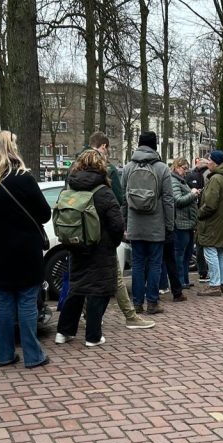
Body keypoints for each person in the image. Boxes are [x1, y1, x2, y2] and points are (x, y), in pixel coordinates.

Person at [0, 131, 50, 369]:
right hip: (25, 249)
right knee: (27, 299)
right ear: (10, 148)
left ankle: (4, 353)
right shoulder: (23, 177)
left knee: (5, 300)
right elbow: (45, 213)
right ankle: (32, 354)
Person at [82, 132, 154, 329]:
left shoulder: (74, 171)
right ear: (103, 147)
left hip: (80, 232)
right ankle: (128, 317)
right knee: (115, 277)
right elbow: (117, 202)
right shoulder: (108, 172)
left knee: (80, 277)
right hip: (102, 233)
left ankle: (70, 325)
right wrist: (119, 231)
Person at [54, 149, 125, 346]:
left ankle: (63, 332)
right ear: (101, 166)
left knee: (76, 289)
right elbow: (117, 224)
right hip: (101, 248)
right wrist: (113, 242)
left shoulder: (70, 188)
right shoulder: (103, 191)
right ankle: (93, 336)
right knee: (99, 290)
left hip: (76, 245)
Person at [122, 131, 174, 314]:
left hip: (135, 225)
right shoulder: (162, 168)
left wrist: (125, 224)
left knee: (137, 264)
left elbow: (123, 198)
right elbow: (168, 199)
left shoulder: (128, 167)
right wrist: (169, 224)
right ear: (155, 146)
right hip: (156, 225)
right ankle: (152, 302)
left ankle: (137, 303)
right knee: (154, 264)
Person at [196, 151, 223, 296]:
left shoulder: (216, 179)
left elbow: (210, 204)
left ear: (216, 163)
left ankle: (214, 284)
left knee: (210, 251)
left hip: (212, 222)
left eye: (210, 160)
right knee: (220, 251)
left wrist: (199, 213)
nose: (207, 162)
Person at [171, 157, 198, 289]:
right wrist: (192, 194)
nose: (186, 171)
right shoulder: (174, 181)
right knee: (180, 254)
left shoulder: (181, 181)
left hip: (188, 222)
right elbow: (178, 200)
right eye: (184, 168)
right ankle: (180, 281)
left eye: (187, 168)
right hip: (180, 223)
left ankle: (185, 280)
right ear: (176, 167)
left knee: (187, 254)